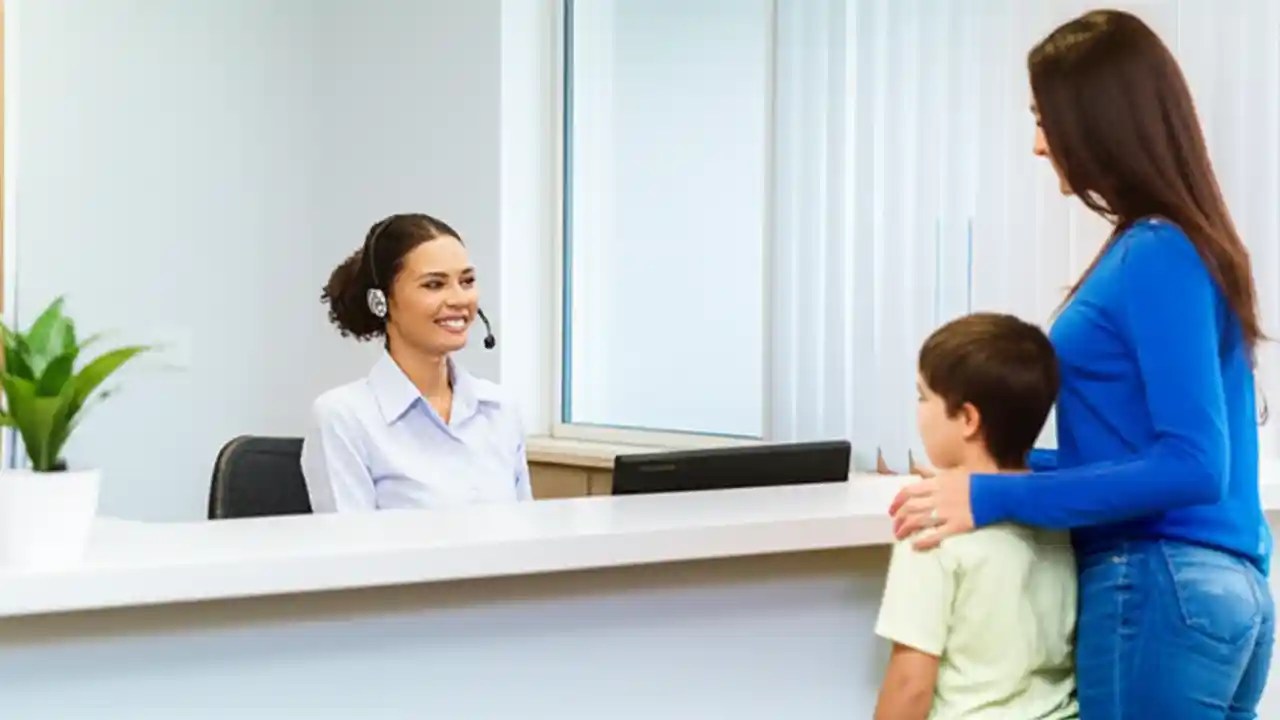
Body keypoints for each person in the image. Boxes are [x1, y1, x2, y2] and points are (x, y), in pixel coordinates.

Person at [889, 10, 1274, 717]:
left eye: (1046, 119)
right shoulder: (1181, 246)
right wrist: (999, 468)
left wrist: (988, 496)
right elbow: (1131, 455)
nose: (1039, 145)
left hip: (1160, 586)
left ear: (1097, 122)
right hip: (1226, 590)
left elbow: (1191, 466)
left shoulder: (1157, 253)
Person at [875, 313, 1077, 720]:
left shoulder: (931, 525)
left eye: (922, 397)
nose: (918, 411)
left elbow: (910, 685)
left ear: (967, 419)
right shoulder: (1058, 517)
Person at [301, 213, 532, 512]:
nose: (459, 299)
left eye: (467, 281)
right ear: (380, 302)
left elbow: (527, 540)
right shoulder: (343, 418)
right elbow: (353, 554)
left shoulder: (501, 410)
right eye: (434, 285)